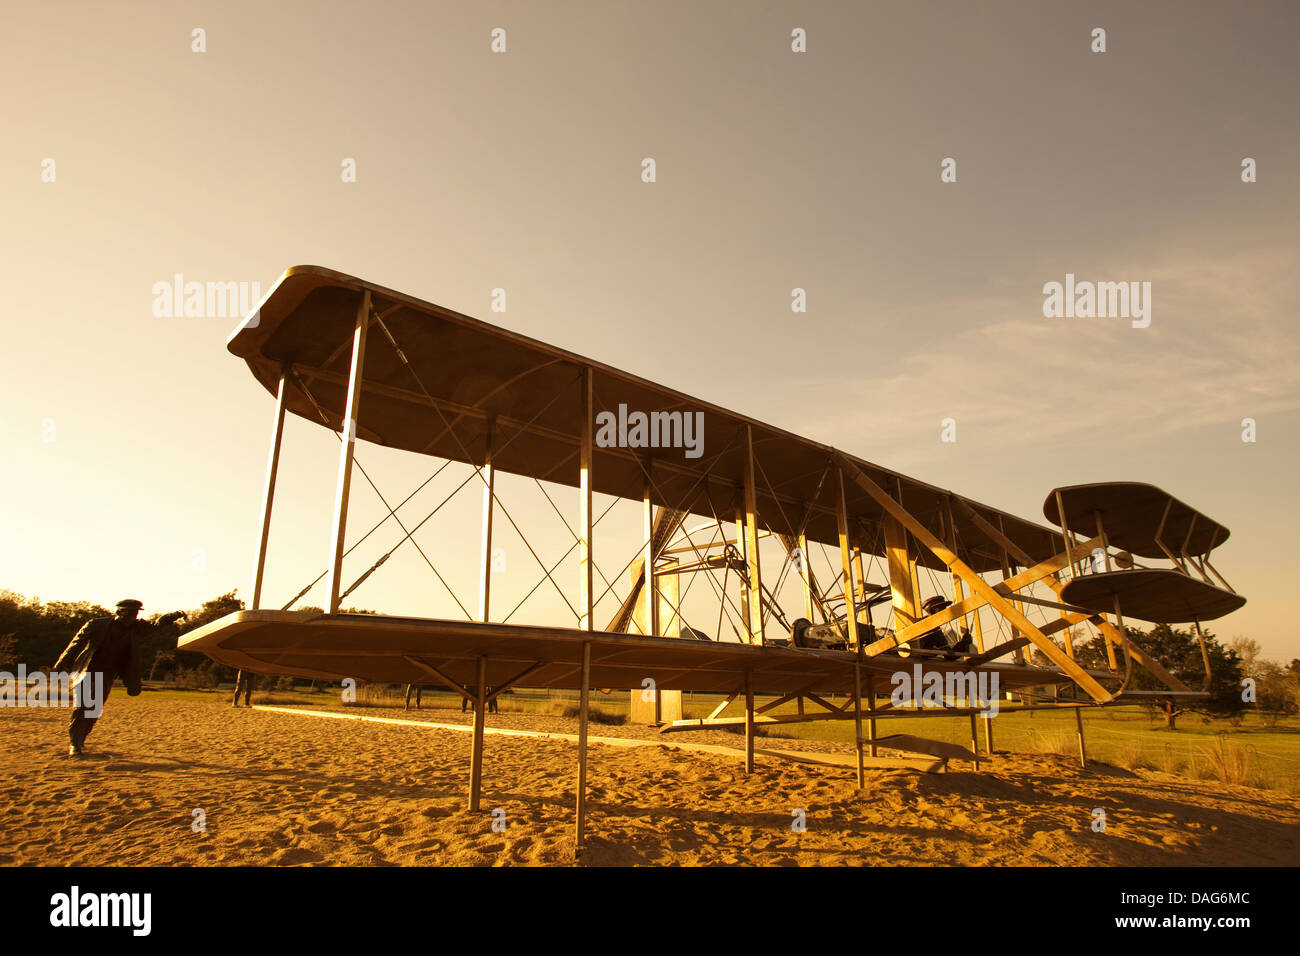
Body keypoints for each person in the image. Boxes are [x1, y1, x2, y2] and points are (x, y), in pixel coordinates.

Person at [54, 599, 185, 757]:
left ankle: (80, 739)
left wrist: (174, 616)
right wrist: (61, 663)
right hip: (86, 671)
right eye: (129, 613)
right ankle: (74, 744)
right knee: (82, 707)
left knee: (94, 710)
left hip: (108, 673)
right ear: (119, 612)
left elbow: (156, 624)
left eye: (135, 614)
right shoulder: (96, 625)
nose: (132, 617)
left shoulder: (137, 628)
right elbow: (76, 644)